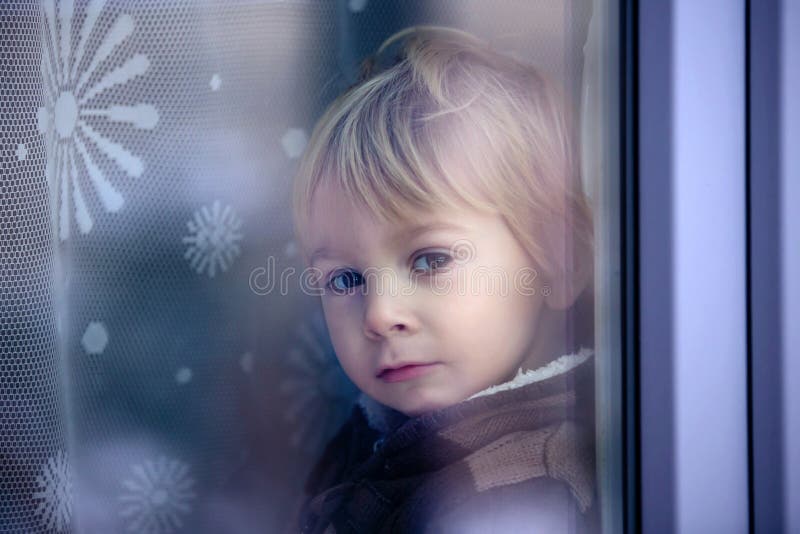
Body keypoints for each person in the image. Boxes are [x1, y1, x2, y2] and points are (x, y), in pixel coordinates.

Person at [289, 26, 597, 533]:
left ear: (558, 260)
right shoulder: (371, 442)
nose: (380, 316)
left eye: (430, 261)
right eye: (345, 279)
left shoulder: (521, 503)